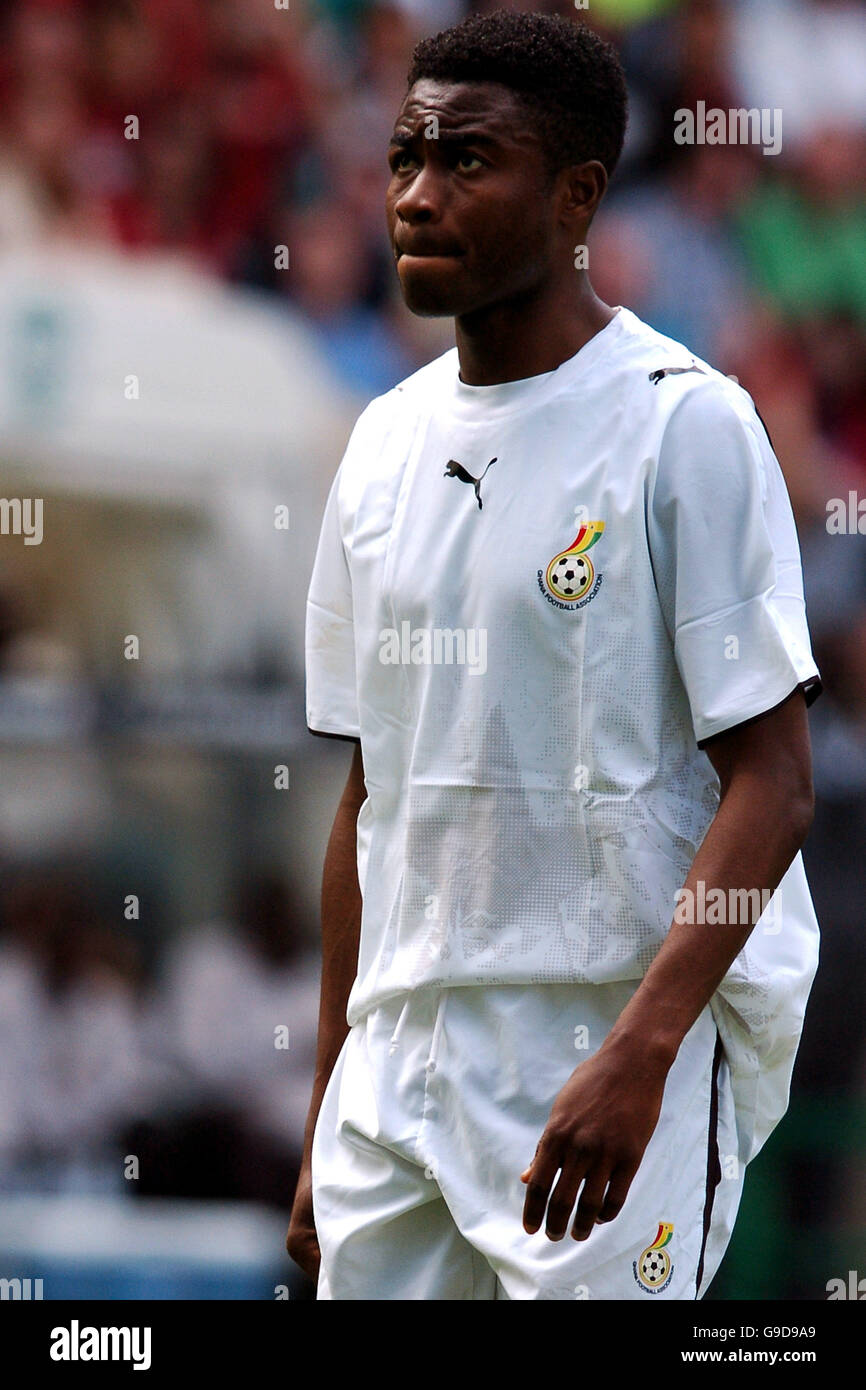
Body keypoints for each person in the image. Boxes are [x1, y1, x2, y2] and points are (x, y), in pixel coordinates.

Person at [287, 10, 823, 1301]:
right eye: (405, 153)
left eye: (468, 160)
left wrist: (640, 1049)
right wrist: (325, 1095)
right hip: (396, 1068)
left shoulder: (679, 425)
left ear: (576, 194)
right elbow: (370, 800)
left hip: (596, 1043)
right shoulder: (379, 444)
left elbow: (773, 780)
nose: (415, 193)